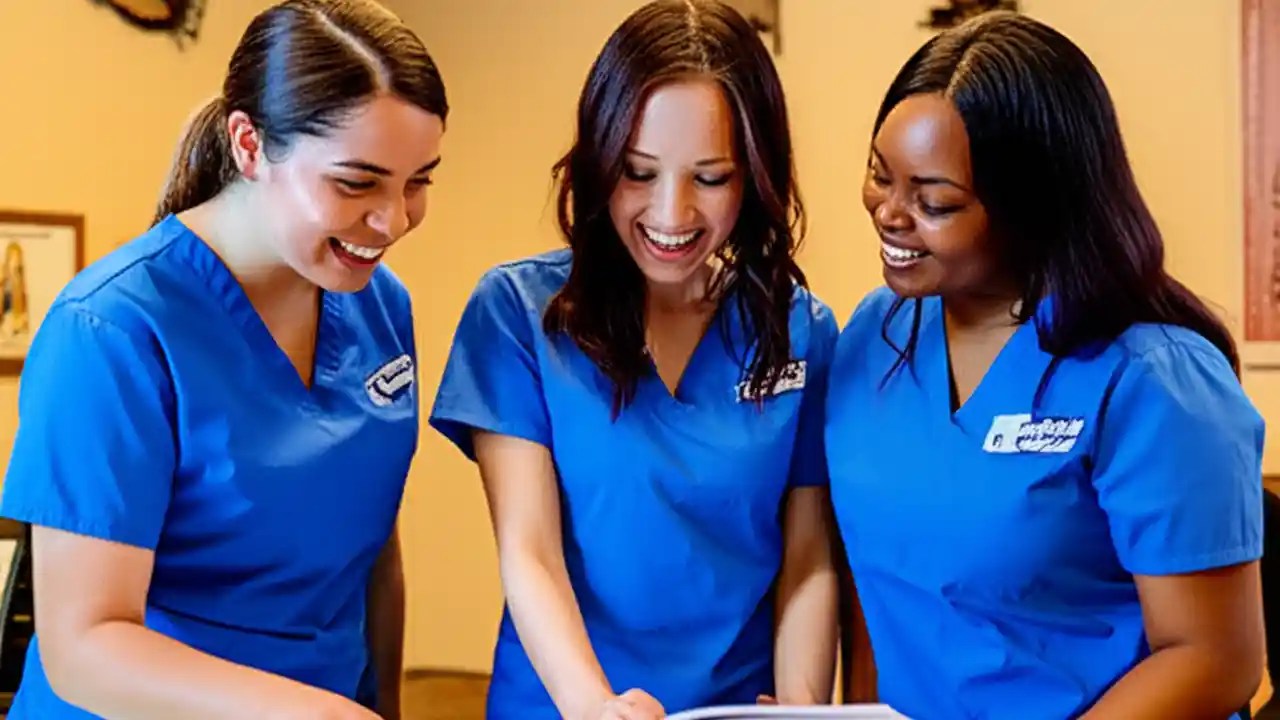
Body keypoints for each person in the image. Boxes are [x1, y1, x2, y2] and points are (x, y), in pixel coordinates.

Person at [0, 1, 446, 718]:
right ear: (249, 145)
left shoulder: (378, 304)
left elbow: (370, 552)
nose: (393, 221)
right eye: (357, 182)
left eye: (418, 181)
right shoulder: (111, 330)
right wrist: (314, 713)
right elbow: (84, 644)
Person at [826, 10, 1265, 720]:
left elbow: (1215, 658)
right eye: (880, 176)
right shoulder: (873, 337)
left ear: (1033, 204)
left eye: (935, 200)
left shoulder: (1151, 380)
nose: (889, 213)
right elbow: (880, 595)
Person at [429, 1, 838, 717]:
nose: (672, 214)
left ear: (755, 176)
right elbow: (530, 552)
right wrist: (592, 704)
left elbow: (807, 558)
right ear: (598, 161)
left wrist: (800, 705)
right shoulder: (518, 313)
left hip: (735, 709)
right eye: (638, 173)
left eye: (710, 178)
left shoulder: (800, 331)